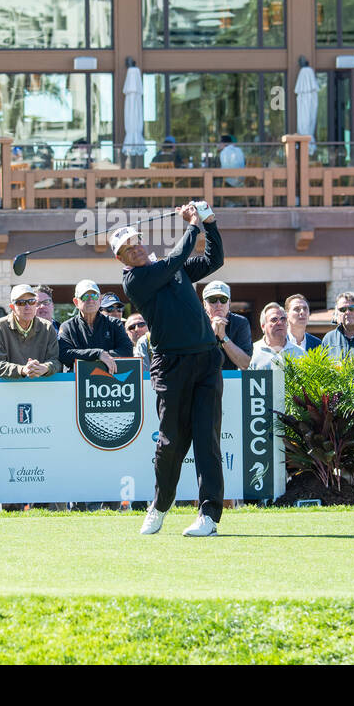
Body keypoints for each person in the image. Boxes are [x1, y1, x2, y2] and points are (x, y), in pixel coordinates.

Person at [117, 203, 225, 538]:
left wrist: (210, 223)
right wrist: (193, 226)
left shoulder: (170, 268)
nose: (136, 249)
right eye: (127, 249)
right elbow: (176, 259)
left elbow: (213, 261)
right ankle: (160, 505)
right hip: (171, 366)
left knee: (207, 439)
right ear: (120, 259)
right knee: (170, 442)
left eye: (137, 243)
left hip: (206, 359)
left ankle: (208, 515)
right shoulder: (135, 281)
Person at [0, 285, 60, 380]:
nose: (27, 307)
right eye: (21, 303)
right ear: (12, 307)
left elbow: (56, 361)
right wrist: (22, 370)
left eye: (31, 302)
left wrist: (46, 368)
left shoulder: (47, 327)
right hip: (7, 389)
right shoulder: (0, 327)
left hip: (41, 388)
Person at [58, 279, 133, 373]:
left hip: (110, 382)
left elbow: (127, 350)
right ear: (76, 302)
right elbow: (64, 355)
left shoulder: (114, 324)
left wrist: (104, 356)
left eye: (94, 296)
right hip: (76, 383)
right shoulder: (67, 326)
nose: (91, 300)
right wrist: (97, 354)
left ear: (100, 300)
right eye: (85, 297)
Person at [201, 280, 252, 371]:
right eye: (213, 300)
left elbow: (244, 364)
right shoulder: (196, 323)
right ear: (204, 304)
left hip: (231, 380)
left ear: (229, 303)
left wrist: (223, 336)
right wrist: (212, 333)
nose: (219, 304)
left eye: (223, 299)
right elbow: (192, 361)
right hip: (201, 380)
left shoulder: (240, 323)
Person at [249, 303, 306, 370]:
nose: (280, 323)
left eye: (283, 319)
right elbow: (242, 379)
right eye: (274, 320)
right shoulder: (251, 352)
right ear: (263, 326)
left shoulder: (300, 353)